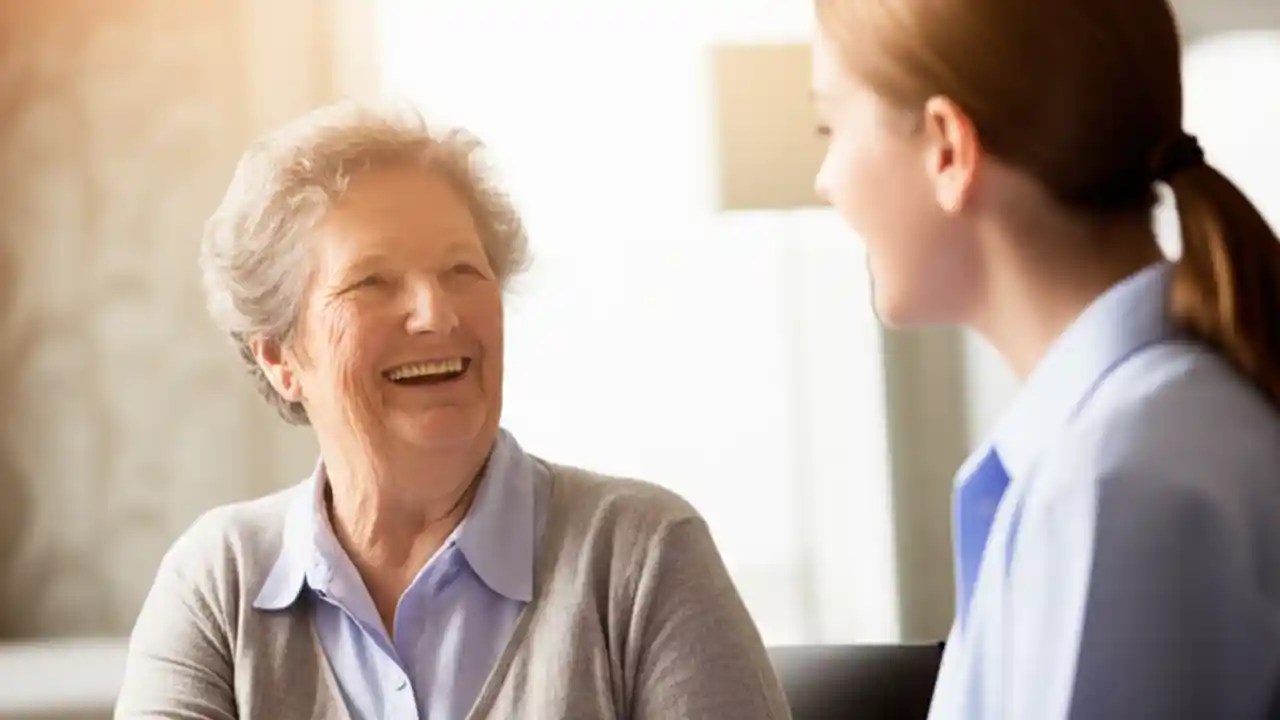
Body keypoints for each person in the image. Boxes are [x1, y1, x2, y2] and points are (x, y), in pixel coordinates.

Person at [114, 101, 790, 720]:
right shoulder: (218, 584)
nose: (435, 314)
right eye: (372, 282)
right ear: (279, 357)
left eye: (462, 271)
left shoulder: (642, 555)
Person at [810, 1, 1280, 717]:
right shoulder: (1137, 441)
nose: (825, 180)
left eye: (830, 127)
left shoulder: (1116, 482)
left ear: (946, 147)